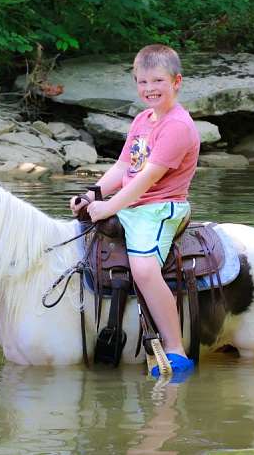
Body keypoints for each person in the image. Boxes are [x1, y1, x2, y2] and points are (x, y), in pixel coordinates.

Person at [69, 44, 200, 376]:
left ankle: (174, 348)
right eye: (142, 82)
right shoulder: (142, 119)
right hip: (132, 202)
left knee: (143, 269)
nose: (149, 89)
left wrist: (108, 207)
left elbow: (146, 179)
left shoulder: (178, 126)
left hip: (159, 207)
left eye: (157, 81)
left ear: (177, 81)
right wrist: (92, 193)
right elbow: (124, 165)